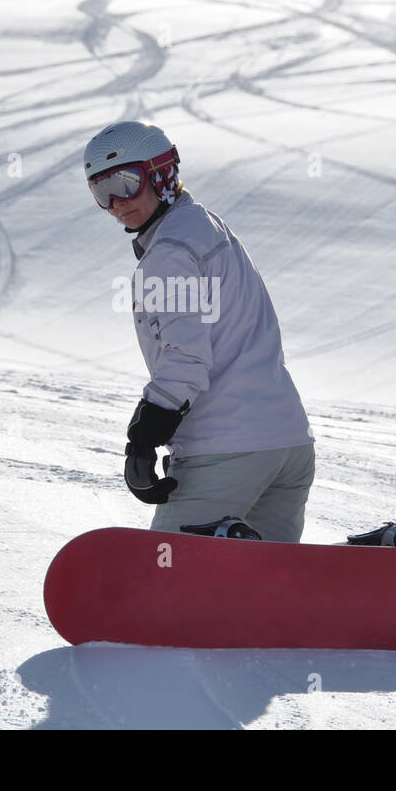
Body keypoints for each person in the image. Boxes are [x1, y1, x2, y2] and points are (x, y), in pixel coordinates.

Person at [83, 121, 315, 542]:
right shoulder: (207, 227)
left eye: (126, 183)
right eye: (102, 192)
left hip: (226, 450)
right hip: (288, 443)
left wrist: (143, 438)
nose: (116, 203)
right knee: (269, 589)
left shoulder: (170, 251)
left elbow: (186, 360)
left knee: (168, 577)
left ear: (161, 173)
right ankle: (376, 560)